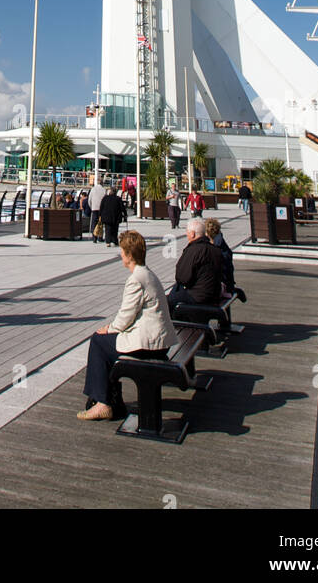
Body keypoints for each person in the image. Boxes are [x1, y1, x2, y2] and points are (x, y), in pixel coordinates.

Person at [77, 230, 177, 421]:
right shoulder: (148, 274)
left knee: (98, 342)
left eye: (122, 252)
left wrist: (110, 328)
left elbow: (125, 317)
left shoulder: (136, 279)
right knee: (105, 342)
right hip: (160, 341)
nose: (120, 255)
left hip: (149, 345)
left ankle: (103, 402)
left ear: (129, 255)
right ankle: (108, 399)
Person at [168, 217, 223, 313]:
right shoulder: (215, 249)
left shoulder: (193, 250)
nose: (186, 234)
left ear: (193, 234)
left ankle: (175, 324)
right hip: (214, 294)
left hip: (199, 296)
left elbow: (182, 278)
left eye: (187, 232)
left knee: (171, 298)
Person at [204, 217, 235, 295]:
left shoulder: (216, 248)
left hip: (221, 287)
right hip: (228, 284)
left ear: (207, 233)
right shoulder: (222, 244)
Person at [88, 177, 106, 242]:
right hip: (101, 209)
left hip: (94, 208)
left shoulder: (93, 189)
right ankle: (100, 237)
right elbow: (105, 200)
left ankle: (94, 236)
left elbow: (89, 200)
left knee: (94, 223)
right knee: (100, 223)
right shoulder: (103, 190)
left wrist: (91, 207)